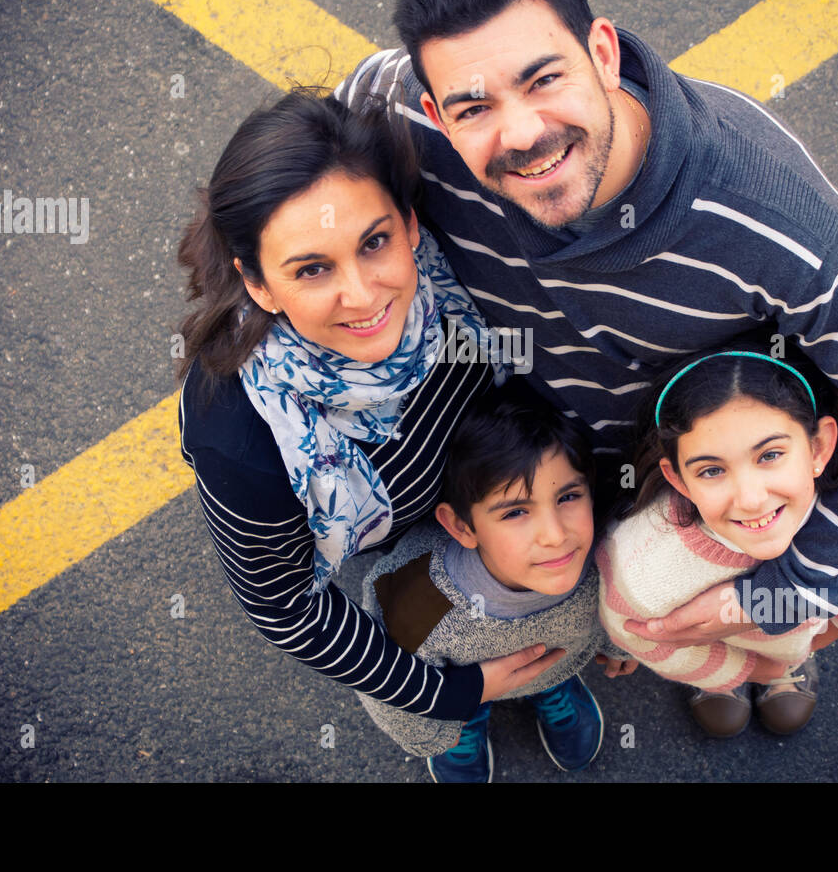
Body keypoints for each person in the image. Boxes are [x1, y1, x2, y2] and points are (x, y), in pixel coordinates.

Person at [333, 0, 838, 696]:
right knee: (629, 614)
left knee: (698, 607)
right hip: (575, 471)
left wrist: (786, 594)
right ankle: (713, 659)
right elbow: (296, 172)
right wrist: (252, 322)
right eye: (474, 107)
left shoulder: (773, 217)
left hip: (708, 473)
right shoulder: (401, 114)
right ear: (436, 109)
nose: (523, 133)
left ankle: (780, 661)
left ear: (603, 52)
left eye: (543, 79)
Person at [176, 89, 567, 732]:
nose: (362, 296)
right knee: (428, 626)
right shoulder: (239, 434)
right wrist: (451, 693)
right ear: (257, 284)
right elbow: (287, 607)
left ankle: (548, 660)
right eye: (310, 270)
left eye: (375, 242)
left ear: (411, 224)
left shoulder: (456, 261)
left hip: (484, 489)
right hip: (393, 539)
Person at [598, 339, 838, 737]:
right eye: (711, 470)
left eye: (769, 455)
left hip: (805, 635)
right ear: (678, 480)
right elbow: (635, 633)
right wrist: (745, 670)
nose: (750, 499)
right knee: (729, 679)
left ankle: (790, 663)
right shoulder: (642, 567)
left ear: (818, 446)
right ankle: (738, 678)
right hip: (733, 648)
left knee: (786, 653)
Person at [356, 386, 637, 782]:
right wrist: (438, 724)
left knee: (550, 668)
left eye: (568, 496)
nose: (556, 536)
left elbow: (624, 600)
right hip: (459, 692)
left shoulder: (605, 555)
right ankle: (465, 721)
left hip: (561, 658)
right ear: (461, 526)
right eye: (516, 512)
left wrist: (620, 641)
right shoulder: (417, 604)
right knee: (460, 703)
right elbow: (386, 687)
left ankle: (551, 687)